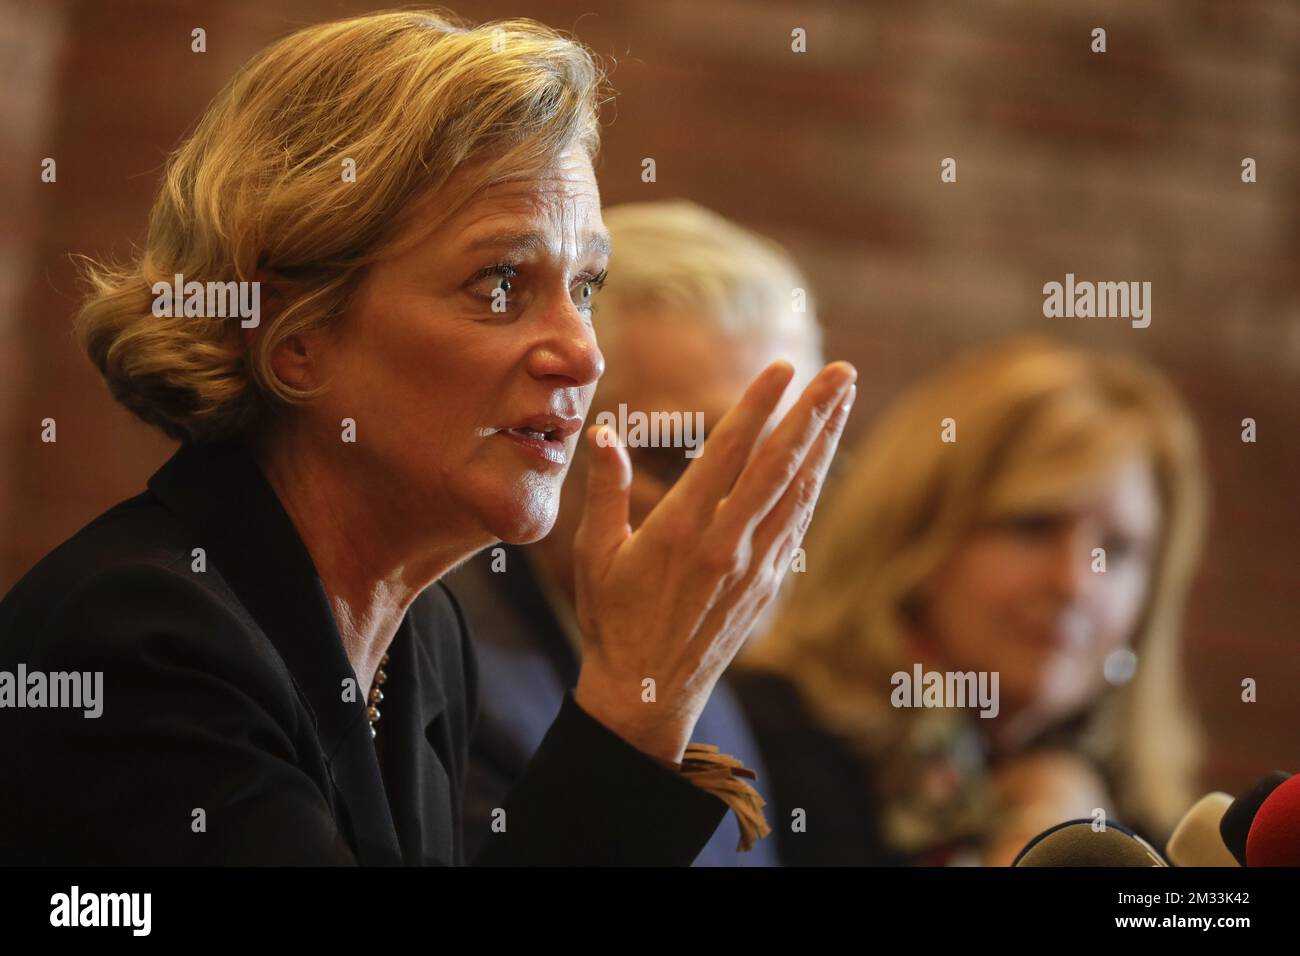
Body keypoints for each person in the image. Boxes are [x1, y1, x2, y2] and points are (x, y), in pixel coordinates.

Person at [0, 10, 856, 865]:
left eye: (587, 286)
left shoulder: (422, 642)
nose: (583, 353)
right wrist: (641, 703)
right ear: (296, 336)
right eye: (500, 283)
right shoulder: (142, 644)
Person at [735, 338, 1206, 866]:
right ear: (914, 535)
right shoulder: (751, 751)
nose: (1075, 583)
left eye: (1117, 551)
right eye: (1032, 525)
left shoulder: (1141, 834)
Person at [451, 200, 825, 864]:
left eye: (776, 466)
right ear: (551, 431)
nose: (738, 518)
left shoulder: (719, 694)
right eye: (678, 458)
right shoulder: (446, 679)